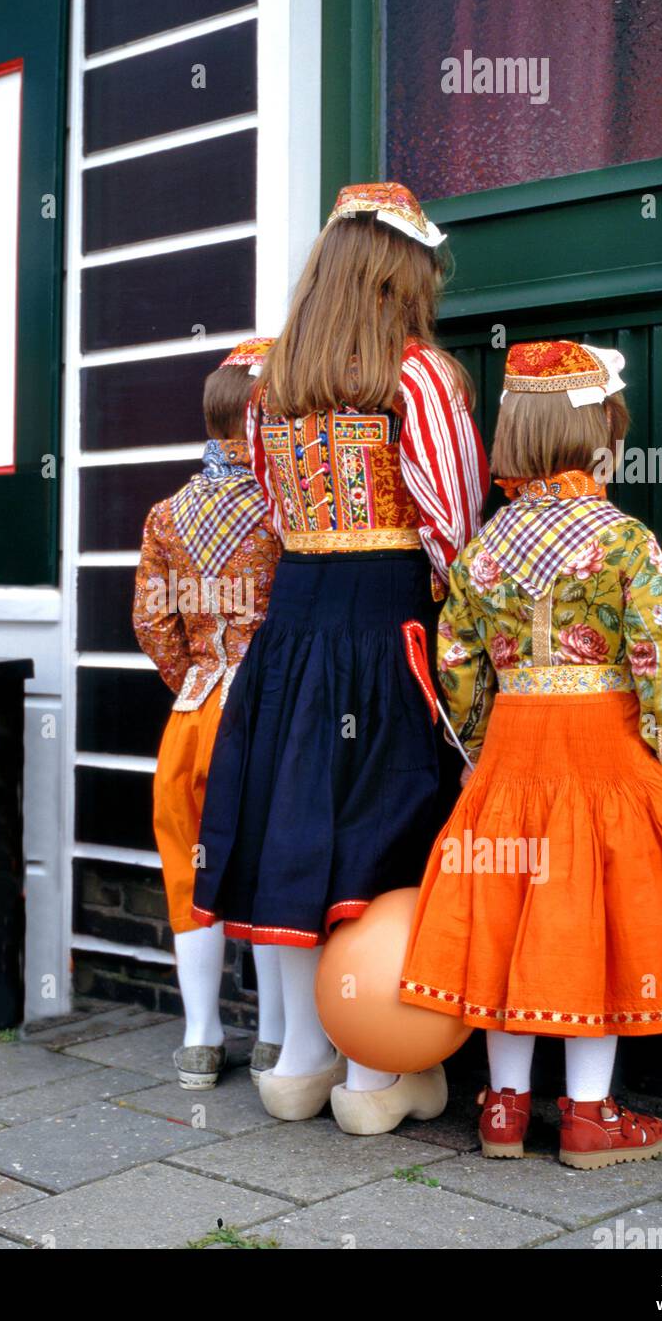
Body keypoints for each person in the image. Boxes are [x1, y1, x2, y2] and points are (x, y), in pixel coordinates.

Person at [399, 338, 662, 1168]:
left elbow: (454, 662)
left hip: (514, 754)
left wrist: (481, 745)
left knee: (509, 915)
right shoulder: (627, 541)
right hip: (606, 754)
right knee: (598, 917)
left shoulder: (481, 550)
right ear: (600, 434)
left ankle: (503, 1110)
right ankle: (589, 1114)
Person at [191, 183, 490, 1134]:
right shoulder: (419, 377)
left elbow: (278, 515)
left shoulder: (270, 390)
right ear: (399, 271)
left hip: (295, 624)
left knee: (297, 829)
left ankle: (298, 1062)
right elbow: (454, 528)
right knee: (383, 830)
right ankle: (373, 1070)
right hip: (386, 619)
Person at [133, 338, 284, 1089]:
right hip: (267, 712)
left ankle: (199, 1037)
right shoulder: (285, 509)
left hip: (193, 715)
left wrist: (191, 678)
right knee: (270, 864)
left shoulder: (168, 514)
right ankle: (276, 1038)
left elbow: (151, 622)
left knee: (187, 864)